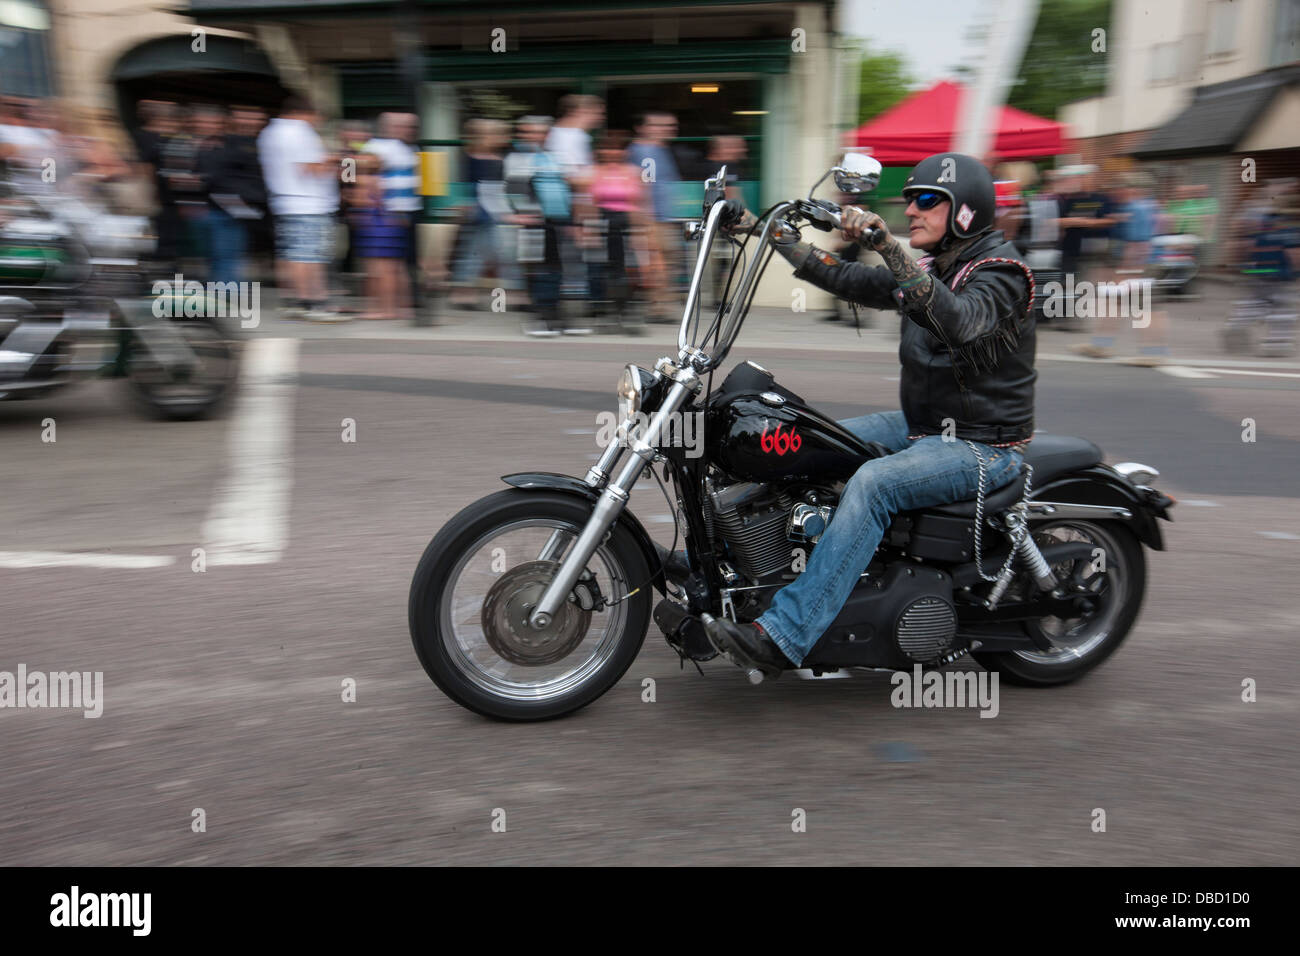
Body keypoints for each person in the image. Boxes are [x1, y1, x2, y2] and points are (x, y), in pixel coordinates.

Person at [705, 152, 1035, 677]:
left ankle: (786, 634)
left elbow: (960, 322)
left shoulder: (1003, 274)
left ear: (965, 212)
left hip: (983, 446)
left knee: (874, 484)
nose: (912, 210)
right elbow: (848, 279)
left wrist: (888, 246)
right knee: (797, 442)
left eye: (928, 201)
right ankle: (726, 565)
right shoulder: (935, 267)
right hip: (920, 427)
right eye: (909, 199)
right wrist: (767, 231)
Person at [257, 95, 342, 321]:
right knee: (310, 256)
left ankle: (294, 301)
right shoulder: (301, 132)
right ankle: (314, 303)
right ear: (307, 113)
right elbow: (310, 168)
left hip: (284, 201)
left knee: (291, 255)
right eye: (318, 117)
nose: (319, 122)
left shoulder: (269, 132)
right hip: (309, 202)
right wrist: (339, 161)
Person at [504, 114, 573, 336]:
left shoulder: (552, 157)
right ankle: (540, 316)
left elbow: (562, 187)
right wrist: (522, 214)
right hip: (533, 221)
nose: (533, 136)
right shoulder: (516, 158)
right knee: (538, 269)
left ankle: (553, 312)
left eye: (538, 132)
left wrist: (568, 217)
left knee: (554, 268)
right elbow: (514, 189)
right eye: (527, 132)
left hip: (556, 220)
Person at [363, 113, 424, 319]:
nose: (407, 130)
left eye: (410, 126)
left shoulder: (408, 147)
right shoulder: (377, 147)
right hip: (387, 212)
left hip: (400, 213)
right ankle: (393, 308)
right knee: (388, 264)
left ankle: (391, 309)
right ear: (387, 127)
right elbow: (366, 179)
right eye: (401, 126)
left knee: (390, 264)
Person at [199, 105, 268, 286]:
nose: (250, 122)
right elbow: (216, 178)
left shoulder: (255, 143)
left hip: (236, 206)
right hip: (229, 206)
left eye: (254, 117)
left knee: (228, 254)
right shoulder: (222, 144)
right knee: (226, 254)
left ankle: (225, 291)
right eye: (245, 116)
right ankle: (225, 293)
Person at [626, 111, 683, 323]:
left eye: (670, 125)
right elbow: (643, 186)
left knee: (666, 262)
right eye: (660, 125)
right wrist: (645, 220)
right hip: (653, 218)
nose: (667, 129)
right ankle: (658, 309)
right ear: (644, 128)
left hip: (664, 217)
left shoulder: (660, 150)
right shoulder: (646, 152)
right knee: (659, 263)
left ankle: (660, 305)